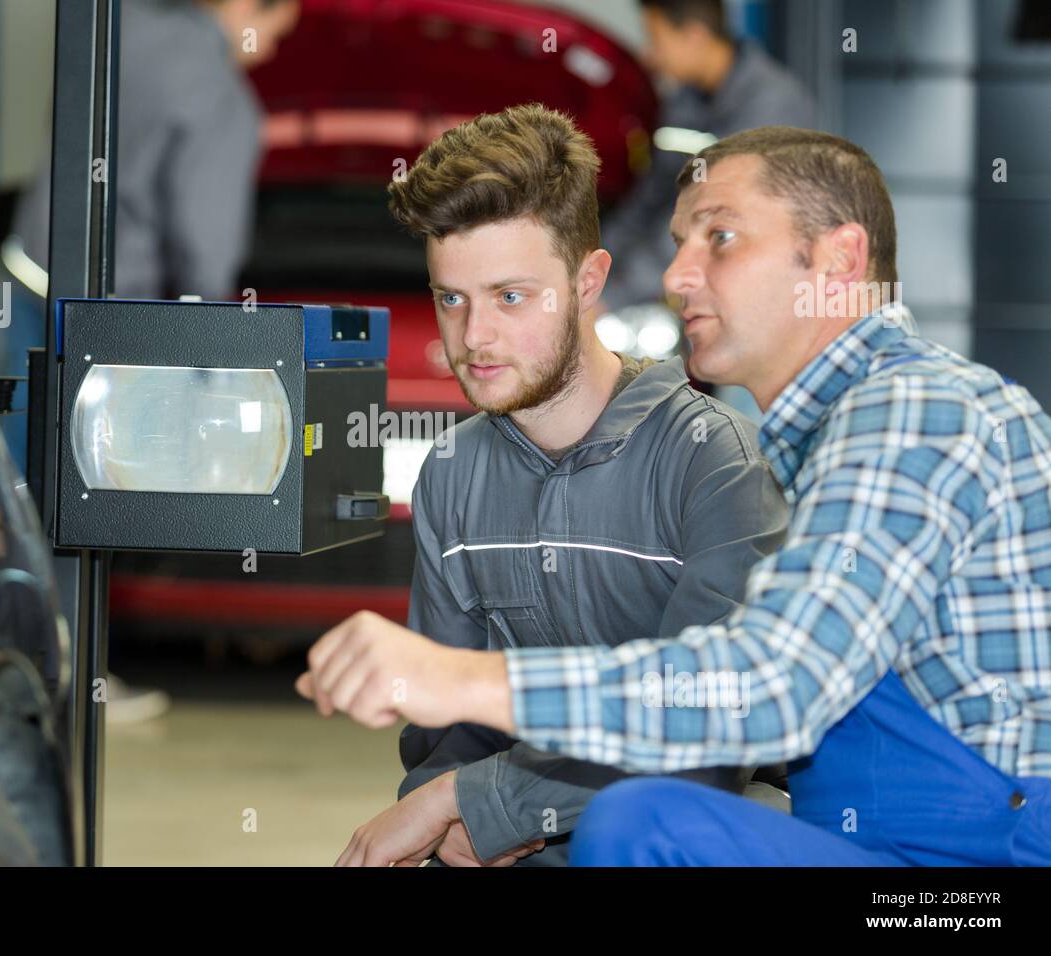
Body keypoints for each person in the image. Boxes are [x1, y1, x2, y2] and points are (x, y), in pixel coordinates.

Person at [298, 125, 1051, 867]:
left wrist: (460, 693)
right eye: (681, 241)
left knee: (649, 824)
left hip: (979, 867)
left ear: (838, 260)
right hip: (876, 847)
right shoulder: (829, 440)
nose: (675, 275)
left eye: (719, 239)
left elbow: (766, 688)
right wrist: (448, 805)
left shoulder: (913, 412)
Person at [330, 104, 790, 867]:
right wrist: (440, 812)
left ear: (588, 280)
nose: (473, 337)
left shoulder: (718, 463)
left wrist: (478, 802)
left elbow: (704, 725)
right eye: (452, 298)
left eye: (511, 297)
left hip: (687, 833)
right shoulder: (453, 475)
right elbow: (450, 730)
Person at [12, 0, 301, 300]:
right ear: (246, 6)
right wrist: (211, 327)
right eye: (275, 34)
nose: (269, 51)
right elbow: (203, 245)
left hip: (29, 273)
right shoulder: (222, 97)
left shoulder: (119, 25)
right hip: (106, 313)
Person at [601, 0, 814, 311]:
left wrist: (615, 296)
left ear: (694, 36)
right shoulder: (682, 103)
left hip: (763, 300)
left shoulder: (771, 107)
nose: (650, 56)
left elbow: (709, 215)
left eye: (657, 40)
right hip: (693, 283)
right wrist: (593, 261)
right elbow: (649, 198)